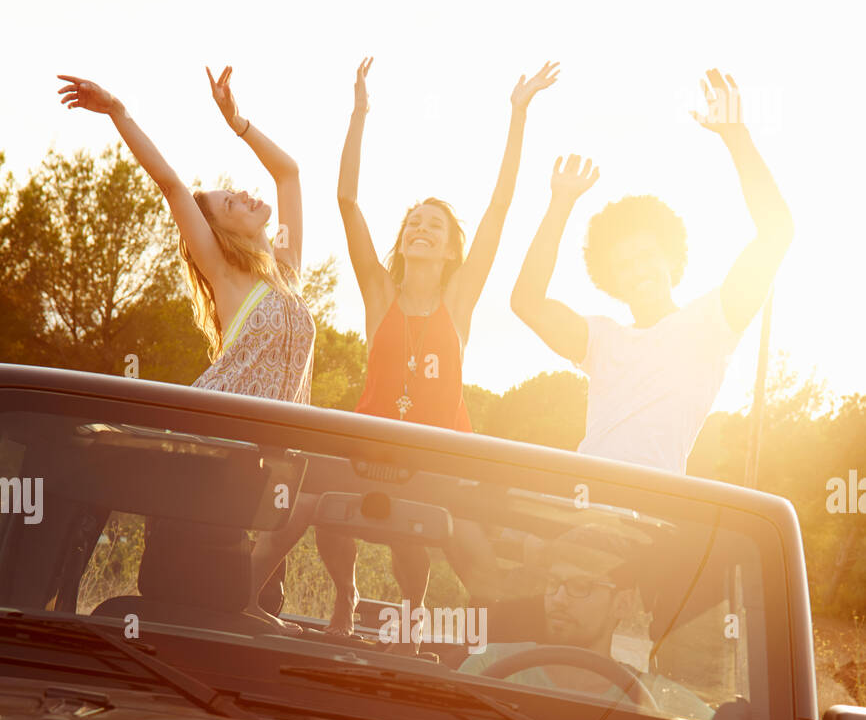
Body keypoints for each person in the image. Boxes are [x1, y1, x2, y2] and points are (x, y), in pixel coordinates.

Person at [57, 66, 315, 631]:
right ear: (221, 232)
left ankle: (248, 607)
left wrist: (238, 123)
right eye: (230, 201)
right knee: (205, 586)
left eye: (237, 190)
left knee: (259, 552)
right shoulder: (226, 274)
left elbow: (289, 174)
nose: (245, 194)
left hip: (262, 459)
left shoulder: (288, 272)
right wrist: (120, 112)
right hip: (211, 449)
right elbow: (173, 185)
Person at [322, 55, 559, 634]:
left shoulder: (459, 303)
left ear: (452, 249)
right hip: (372, 447)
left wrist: (518, 114)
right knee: (322, 507)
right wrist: (358, 114)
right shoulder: (379, 294)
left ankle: (416, 615)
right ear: (402, 243)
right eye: (412, 223)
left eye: (435, 224)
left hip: (439, 457)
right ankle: (344, 595)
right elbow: (348, 203)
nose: (420, 228)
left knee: (416, 538)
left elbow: (498, 209)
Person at [510, 70, 794, 475]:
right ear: (612, 281)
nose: (637, 270)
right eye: (623, 265)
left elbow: (777, 231)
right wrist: (560, 204)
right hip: (582, 497)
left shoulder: (711, 323)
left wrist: (736, 135)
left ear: (671, 260)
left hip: (648, 517)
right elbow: (526, 303)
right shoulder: (601, 340)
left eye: (645, 256)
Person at [459, 533, 713, 720]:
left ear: (622, 604)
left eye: (581, 586)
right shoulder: (489, 664)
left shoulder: (657, 698)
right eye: (553, 583)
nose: (557, 598)